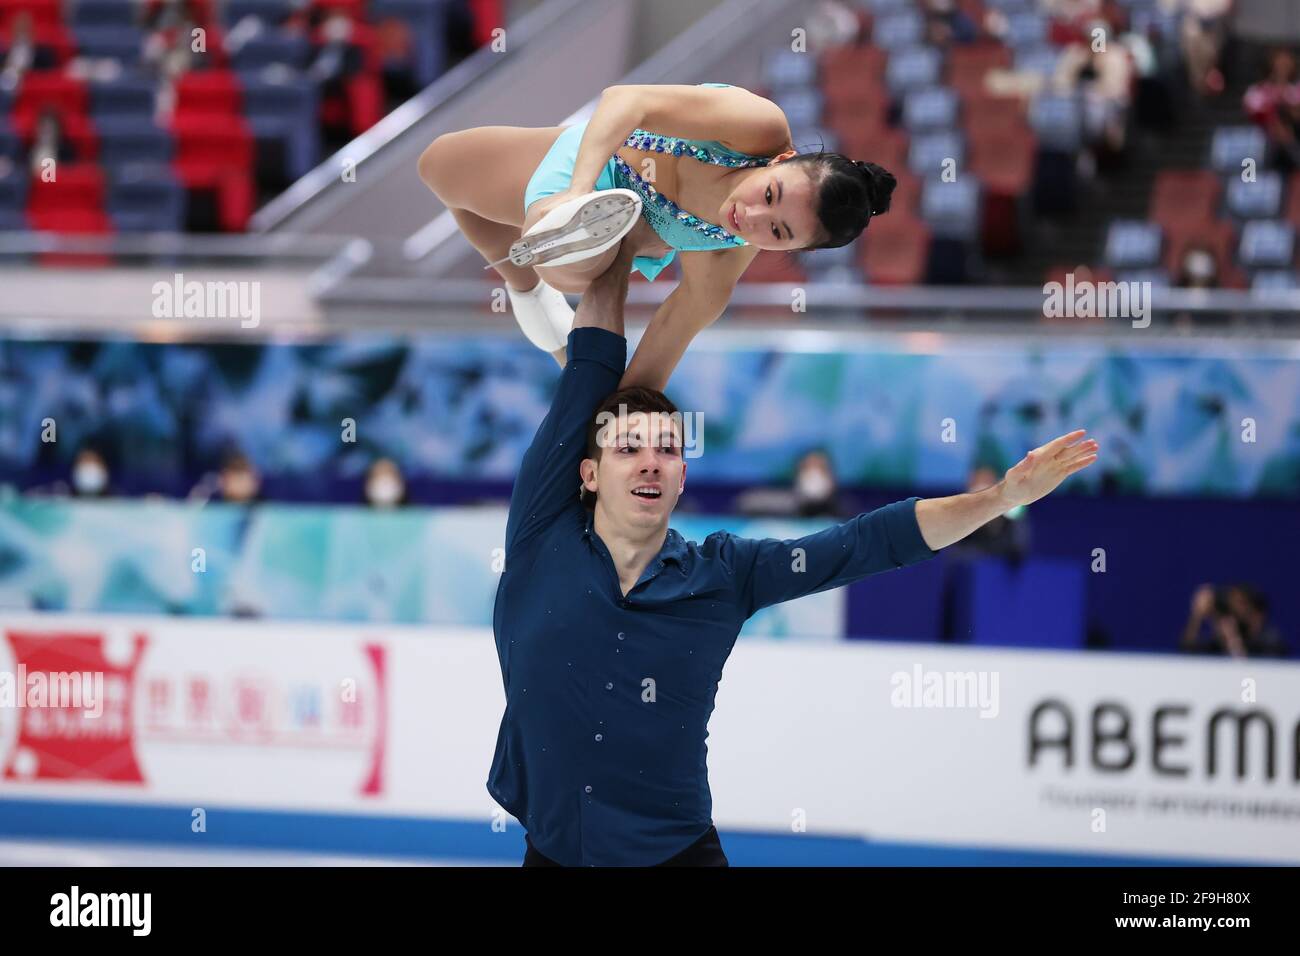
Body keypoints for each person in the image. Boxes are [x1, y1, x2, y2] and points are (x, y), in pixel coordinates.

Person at [491, 242, 1100, 866]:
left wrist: (999, 498)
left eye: (668, 450)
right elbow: (590, 367)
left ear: (681, 477)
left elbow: (871, 542)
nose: (650, 459)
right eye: (629, 449)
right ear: (587, 474)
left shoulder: (724, 574)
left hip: (675, 857)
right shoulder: (541, 532)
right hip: (553, 852)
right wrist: (615, 250)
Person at [418, 82, 897, 387]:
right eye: (769, 194)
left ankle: (566, 242)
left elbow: (660, 352)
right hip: (591, 160)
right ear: (781, 161)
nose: (750, 215)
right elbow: (625, 100)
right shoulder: (758, 125)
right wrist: (579, 188)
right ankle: (530, 288)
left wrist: (606, 414)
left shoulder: (724, 259)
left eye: (776, 231)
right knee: (436, 165)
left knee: (567, 256)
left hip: (606, 257)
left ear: (794, 250)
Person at [1182, 583, 1286, 658]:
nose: (1234, 610)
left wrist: (1233, 642)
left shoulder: (1271, 642)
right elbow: (1186, 656)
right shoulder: (1218, 643)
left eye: (1240, 603)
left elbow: (1253, 678)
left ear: (1257, 614)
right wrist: (1197, 617)